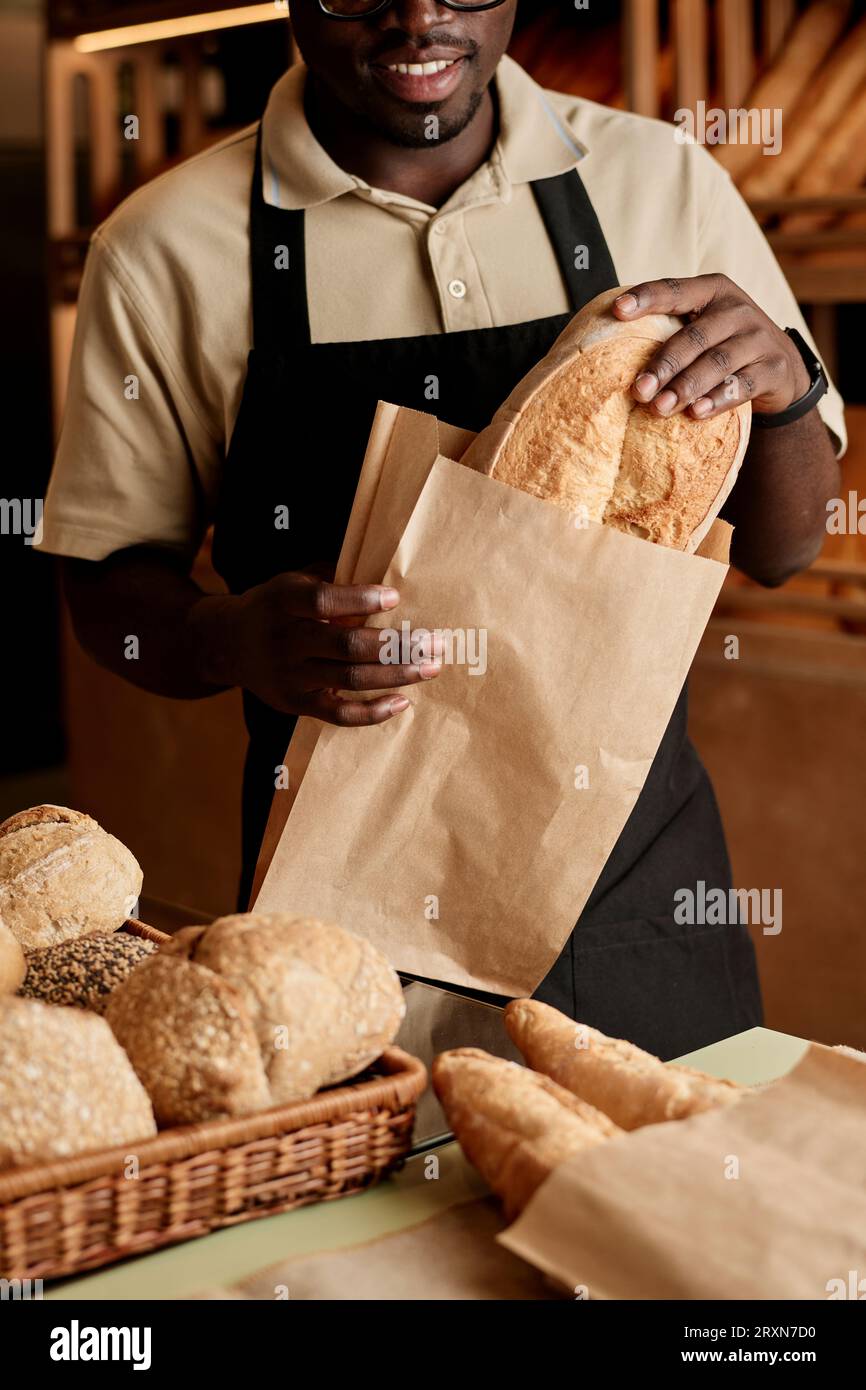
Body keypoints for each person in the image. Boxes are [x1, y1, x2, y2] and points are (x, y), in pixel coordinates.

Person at [38, 0, 846, 1057]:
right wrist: (227, 638)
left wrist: (784, 391)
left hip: (640, 899)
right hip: (335, 930)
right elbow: (107, 589)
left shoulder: (658, 181)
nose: (420, 14)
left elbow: (785, 549)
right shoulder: (162, 246)